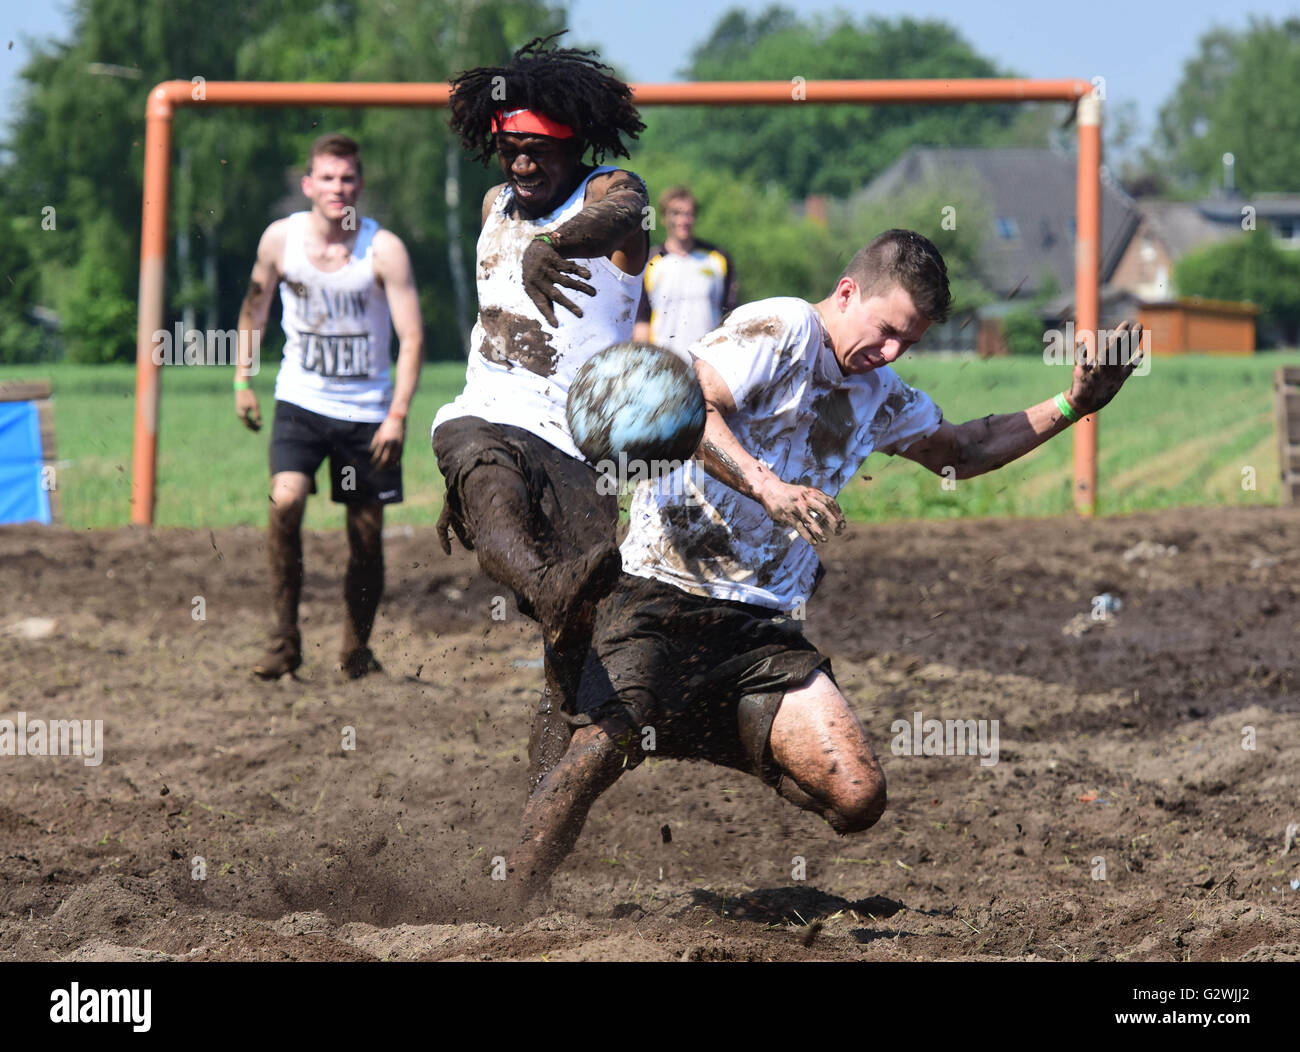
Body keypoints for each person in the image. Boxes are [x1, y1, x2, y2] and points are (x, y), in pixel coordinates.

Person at [508, 229, 1144, 895]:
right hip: (660, 593)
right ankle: (505, 911)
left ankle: (679, 720)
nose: (891, 352)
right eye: (887, 329)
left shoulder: (883, 393)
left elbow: (964, 449)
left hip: (760, 632)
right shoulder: (781, 329)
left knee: (859, 794)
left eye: (910, 342)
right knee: (596, 754)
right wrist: (764, 484)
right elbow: (690, 403)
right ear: (847, 293)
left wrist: (1072, 405)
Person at [430, 34, 649, 790]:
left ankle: (540, 805)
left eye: (537, 151)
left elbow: (628, 206)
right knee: (487, 479)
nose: (521, 165)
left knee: (577, 654)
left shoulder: (607, 197)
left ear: (573, 145)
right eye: (509, 149)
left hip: (580, 450)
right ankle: (546, 584)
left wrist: (554, 243)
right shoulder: (495, 204)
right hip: (485, 415)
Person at [235, 133, 423, 680]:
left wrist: (397, 415)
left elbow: (411, 338)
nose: (336, 188)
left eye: (346, 179)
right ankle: (283, 641)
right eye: (326, 178)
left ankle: (355, 650)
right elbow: (254, 309)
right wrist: (242, 379)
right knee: (285, 500)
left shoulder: (382, 249)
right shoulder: (280, 240)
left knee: (364, 535)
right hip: (300, 399)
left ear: (358, 186)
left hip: (367, 412)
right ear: (308, 185)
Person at [633, 186, 737, 352]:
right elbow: (641, 321)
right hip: (664, 363)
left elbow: (731, 317)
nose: (683, 220)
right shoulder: (650, 262)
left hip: (708, 361)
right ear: (664, 218)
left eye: (689, 214)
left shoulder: (718, 259)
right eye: (676, 213)